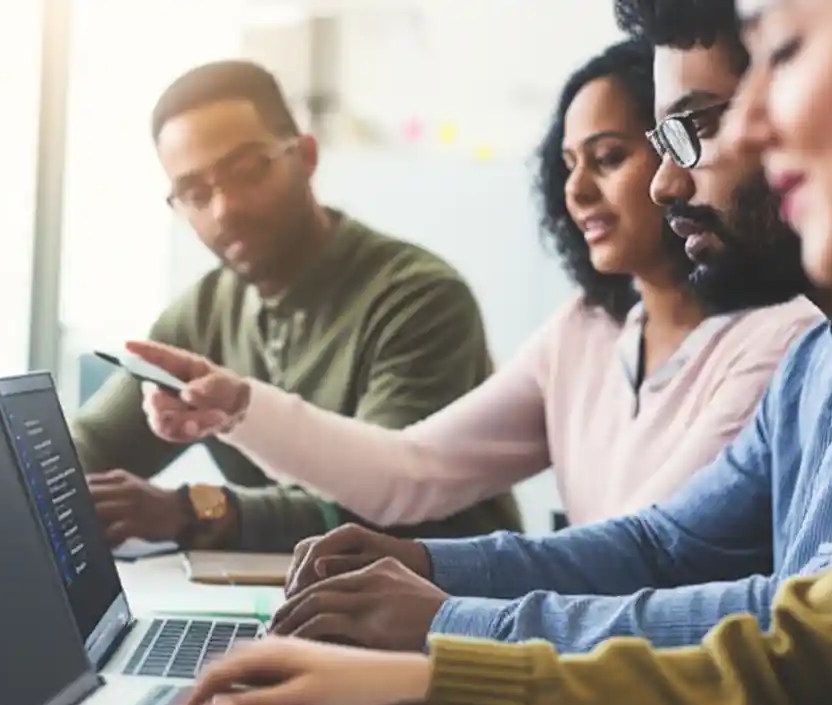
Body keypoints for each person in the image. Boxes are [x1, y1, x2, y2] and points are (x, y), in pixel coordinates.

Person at [179, 0, 832, 705]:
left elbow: (784, 643)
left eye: (785, 55)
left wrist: (442, 632)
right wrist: (431, 626)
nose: (754, 130)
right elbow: (789, 636)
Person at [127, 41, 819, 541]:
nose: (576, 191)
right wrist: (238, 408)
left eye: (609, 158)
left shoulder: (779, 338)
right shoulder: (584, 331)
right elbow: (410, 472)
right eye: (568, 165)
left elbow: (638, 552)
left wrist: (431, 605)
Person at [68, 60, 520, 552]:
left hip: (442, 591)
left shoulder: (419, 300)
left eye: (247, 171)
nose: (225, 208)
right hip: (294, 587)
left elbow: (380, 502)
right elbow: (90, 445)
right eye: (195, 193)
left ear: (306, 156)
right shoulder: (202, 314)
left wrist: (191, 510)